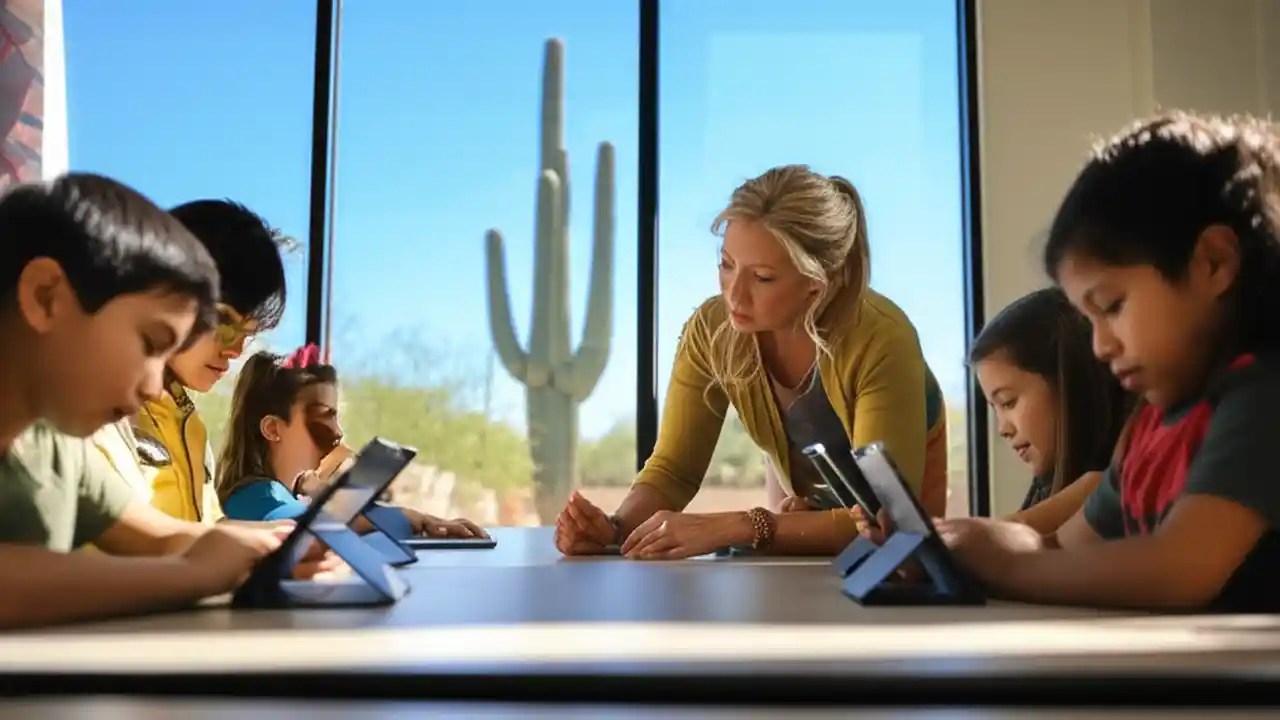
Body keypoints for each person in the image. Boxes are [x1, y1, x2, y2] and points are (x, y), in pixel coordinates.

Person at [938, 111, 1280, 611]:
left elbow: (1179, 570)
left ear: (1213, 262)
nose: (1100, 347)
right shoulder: (1148, 429)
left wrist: (1007, 566)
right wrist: (965, 543)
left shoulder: (1262, 398)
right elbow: (1060, 547)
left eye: (1112, 307)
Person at [557, 164, 947, 559]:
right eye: (727, 265)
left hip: (898, 561)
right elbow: (674, 470)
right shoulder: (711, 330)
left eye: (762, 277)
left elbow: (888, 522)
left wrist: (739, 525)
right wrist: (615, 529)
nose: (734, 296)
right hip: (801, 527)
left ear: (819, 279)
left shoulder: (882, 338)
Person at [0, 173, 318, 628]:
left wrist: (271, 550)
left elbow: (162, 536)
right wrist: (192, 575)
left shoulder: (56, 445)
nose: (154, 387)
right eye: (151, 342)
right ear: (46, 296)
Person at [215, 347, 488, 539]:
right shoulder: (256, 496)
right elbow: (305, 527)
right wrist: (408, 518)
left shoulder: (289, 494)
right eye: (324, 417)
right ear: (273, 428)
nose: (338, 433)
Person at [129, 199, 289, 524]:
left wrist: (277, 539)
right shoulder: (104, 414)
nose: (235, 350)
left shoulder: (191, 424)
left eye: (248, 335)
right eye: (224, 323)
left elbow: (205, 530)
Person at [969, 287, 1132, 534]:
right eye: (995, 409)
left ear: (1069, 383)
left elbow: (1012, 537)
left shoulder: (1107, 491)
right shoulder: (1047, 490)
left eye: (1008, 402)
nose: (1003, 429)